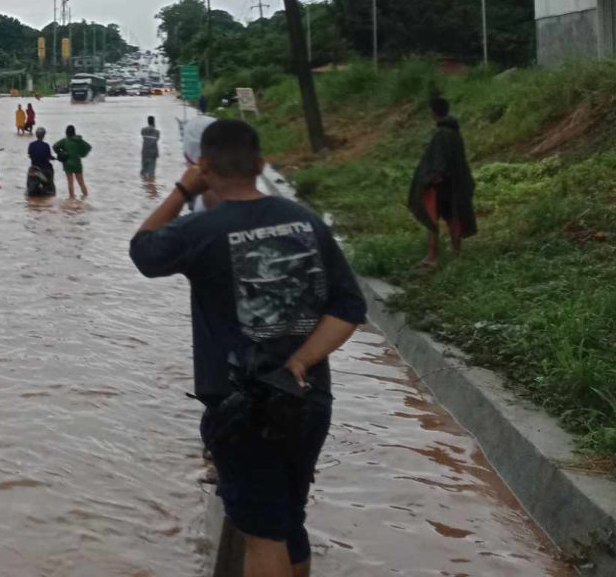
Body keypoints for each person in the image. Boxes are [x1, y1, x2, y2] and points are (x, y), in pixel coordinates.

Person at [129, 119, 367, 577]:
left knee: (263, 536)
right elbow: (349, 309)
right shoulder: (307, 221)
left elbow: (142, 250)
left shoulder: (200, 230)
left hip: (243, 406)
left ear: (206, 167)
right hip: (308, 397)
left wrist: (182, 188)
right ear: (260, 164)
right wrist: (299, 362)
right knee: (289, 520)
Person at [408, 96, 477, 268]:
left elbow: (439, 162)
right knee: (453, 218)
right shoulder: (454, 132)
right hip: (455, 184)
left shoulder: (441, 134)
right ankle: (457, 254)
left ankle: (432, 256)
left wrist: (429, 181)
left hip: (441, 186)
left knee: (432, 221)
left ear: (433, 112)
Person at [54, 124, 92, 197]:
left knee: (70, 182)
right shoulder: (79, 141)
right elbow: (89, 147)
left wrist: (60, 153)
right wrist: (83, 154)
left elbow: (55, 146)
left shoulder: (64, 141)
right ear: (74, 132)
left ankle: (72, 197)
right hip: (77, 164)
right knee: (81, 183)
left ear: (66, 132)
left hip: (67, 163)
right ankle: (85, 197)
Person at [26, 126, 56, 195]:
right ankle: (50, 190)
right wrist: (53, 158)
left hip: (34, 167)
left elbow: (30, 155)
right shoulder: (46, 146)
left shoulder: (31, 145)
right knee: (50, 183)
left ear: (36, 135)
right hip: (45, 168)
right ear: (44, 135)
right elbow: (48, 157)